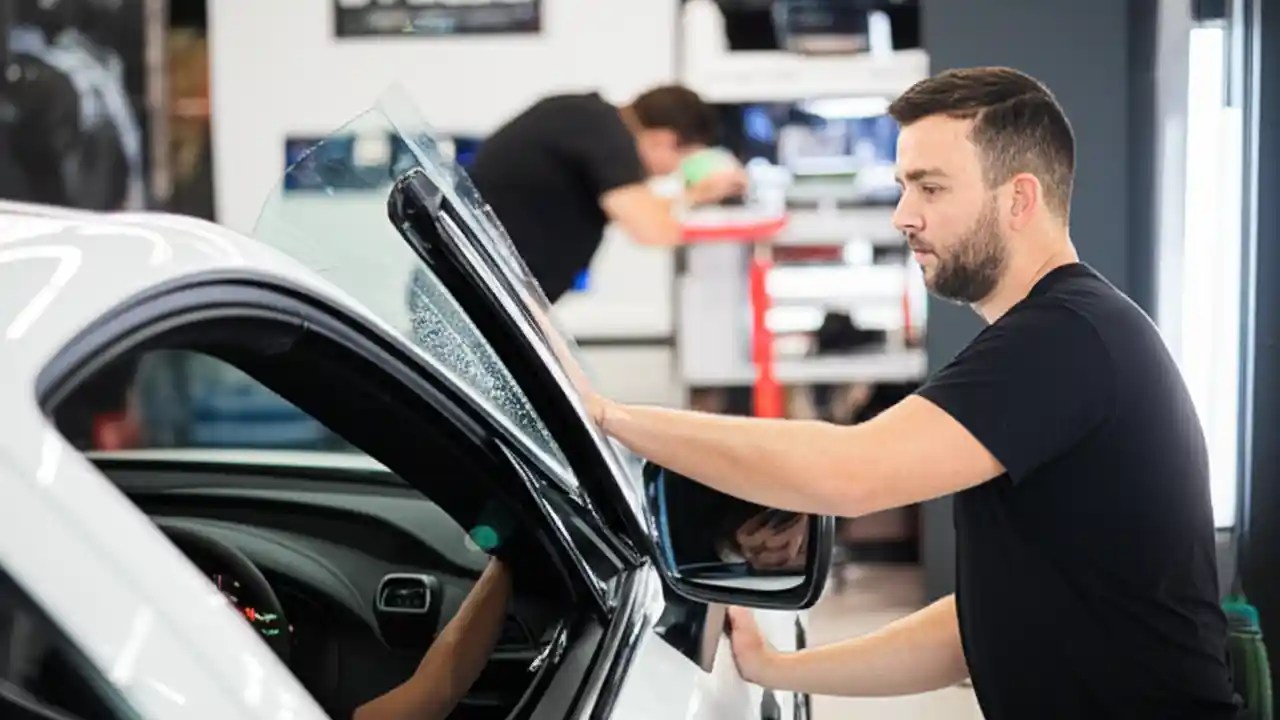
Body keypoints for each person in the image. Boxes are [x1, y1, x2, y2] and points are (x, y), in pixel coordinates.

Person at [584, 67, 1238, 719]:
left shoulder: (1066, 338)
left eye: (930, 187)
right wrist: (775, 668)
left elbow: (848, 472)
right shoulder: (1064, 331)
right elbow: (979, 625)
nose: (903, 215)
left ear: (1019, 199)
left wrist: (612, 418)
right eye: (903, 187)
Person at [468, 85, 747, 303]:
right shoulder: (605, 133)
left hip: (494, 287)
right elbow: (653, 231)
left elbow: (633, 206)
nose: (672, 171)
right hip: (486, 290)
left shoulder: (588, 120)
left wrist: (695, 196)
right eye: (682, 159)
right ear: (665, 141)